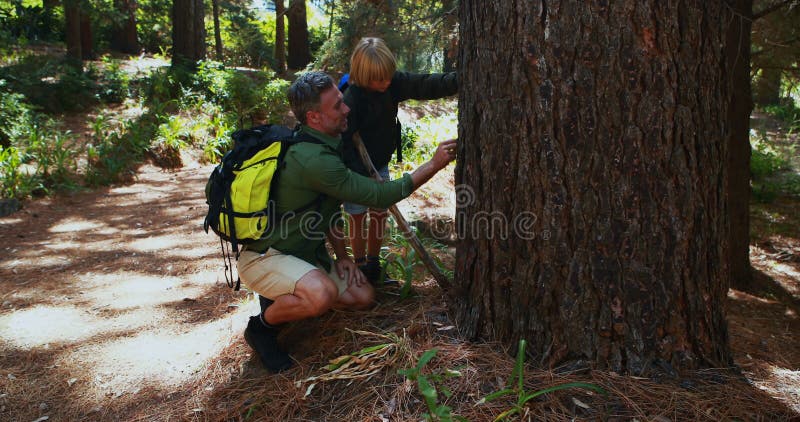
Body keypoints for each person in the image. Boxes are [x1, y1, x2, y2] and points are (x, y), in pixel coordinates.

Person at [240, 71, 457, 372]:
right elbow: (380, 195)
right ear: (314, 117)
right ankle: (261, 328)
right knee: (322, 295)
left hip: (304, 257)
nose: (347, 109)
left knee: (363, 296)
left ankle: (295, 296)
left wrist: (343, 258)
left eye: (342, 101)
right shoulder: (315, 160)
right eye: (337, 106)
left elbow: (327, 211)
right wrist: (434, 164)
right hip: (266, 257)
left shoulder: (325, 143)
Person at [341, 37, 458, 284]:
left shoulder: (393, 83)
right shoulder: (352, 99)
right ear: (363, 76)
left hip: (380, 162)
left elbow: (424, 84)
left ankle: (373, 264)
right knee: (357, 215)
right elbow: (343, 140)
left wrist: (456, 81)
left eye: (388, 77)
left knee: (380, 212)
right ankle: (360, 264)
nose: (385, 83)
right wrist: (355, 174)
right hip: (354, 169)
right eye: (378, 79)